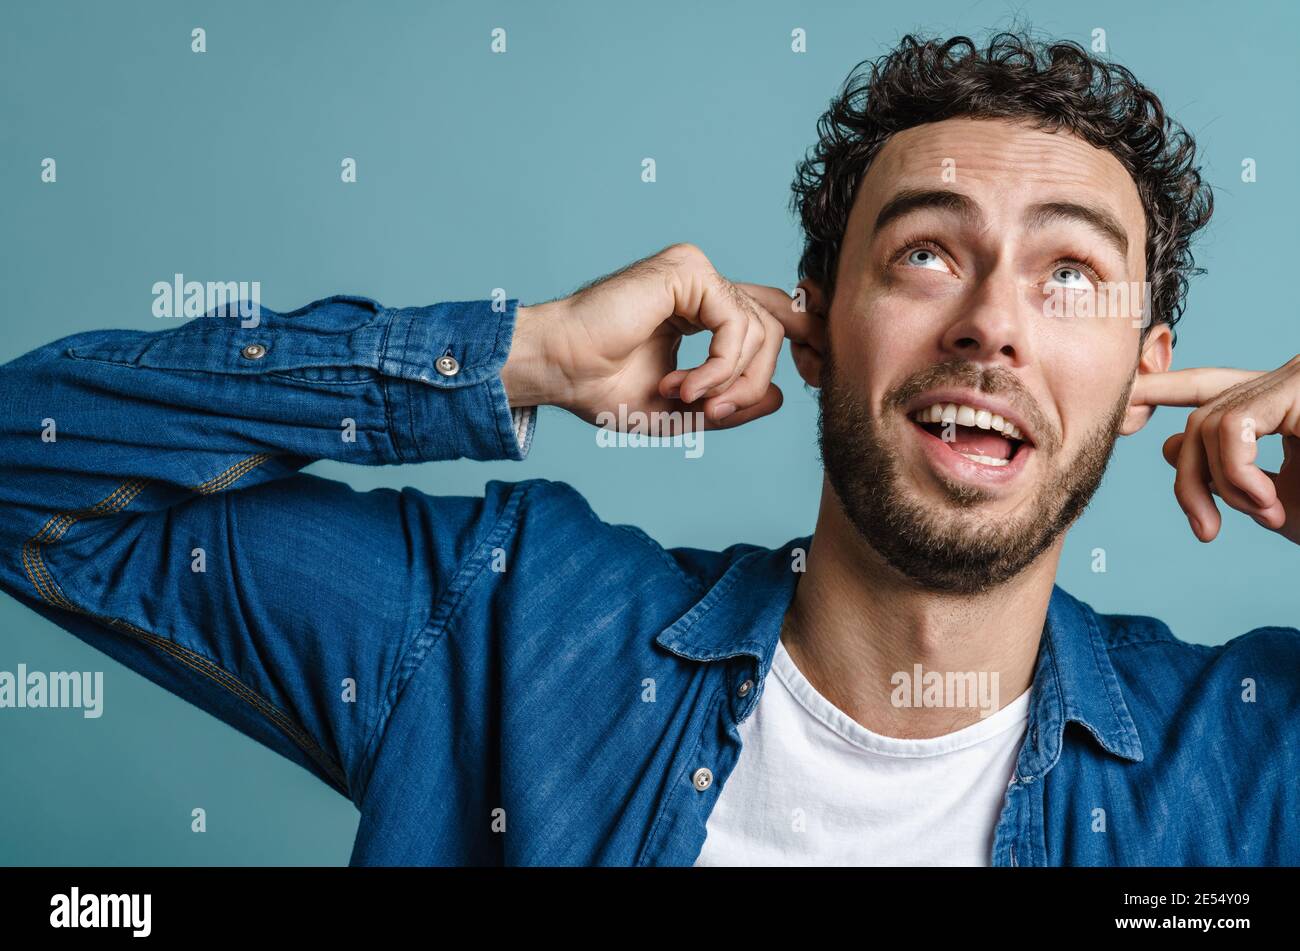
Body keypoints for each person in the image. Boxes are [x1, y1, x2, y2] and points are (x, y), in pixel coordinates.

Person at [0, 32, 1296, 866]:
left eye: (1071, 275)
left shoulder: (1250, 756)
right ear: (817, 330)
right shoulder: (507, 626)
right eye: (925, 252)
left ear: (1143, 375)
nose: (993, 323)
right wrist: (529, 357)